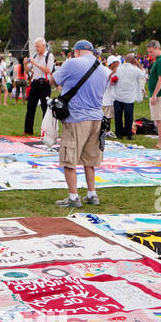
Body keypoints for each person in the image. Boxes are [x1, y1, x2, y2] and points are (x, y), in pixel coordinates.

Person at [49, 40, 106, 208]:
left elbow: (53, 81)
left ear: (77, 52)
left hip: (76, 117)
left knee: (69, 158)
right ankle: (92, 193)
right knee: (90, 159)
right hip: (97, 118)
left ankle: (73, 197)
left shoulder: (72, 63)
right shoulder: (102, 68)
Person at [24, 37, 54, 135]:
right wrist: (25, 64)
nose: (36, 49)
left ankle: (45, 131)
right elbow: (28, 70)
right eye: (35, 47)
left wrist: (35, 63)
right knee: (30, 107)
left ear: (43, 46)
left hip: (44, 83)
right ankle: (28, 130)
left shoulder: (49, 56)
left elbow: (48, 70)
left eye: (38, 46)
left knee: (45, 108)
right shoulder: (35, 56)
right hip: (35, 83)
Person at [113, 54, 146, 139]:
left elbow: (114, 79)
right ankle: (128, 134)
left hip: (118, 96)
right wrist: (138, 64)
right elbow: (143, 75)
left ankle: (119, 133)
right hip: (129, 97)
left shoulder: (119, 69)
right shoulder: (135, 70)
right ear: (133, 61)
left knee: (118, 117)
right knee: (128, 117)